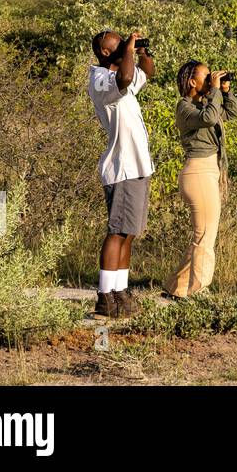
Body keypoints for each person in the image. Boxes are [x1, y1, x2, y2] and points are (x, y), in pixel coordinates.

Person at [86, 30, 156, 318]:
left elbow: (146, 73)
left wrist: (142, 51)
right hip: (121, 166)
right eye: (118, 44)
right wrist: (129, 53)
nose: (123, 48)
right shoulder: (102, 79)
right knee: (116, 232)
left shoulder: (121, 74)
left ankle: (120, 291)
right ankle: (105, 296)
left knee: (128, 233)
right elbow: (126, 78)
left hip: (138, 165)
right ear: (104, 51)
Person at [165, 62, 237, 298]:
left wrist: (225, 92)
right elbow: (208, 119)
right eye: (206, 76)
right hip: (198, 173)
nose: (210, 80)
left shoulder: (205, 104)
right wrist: (215, 90)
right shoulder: (184, 108)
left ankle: (176, 287)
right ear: (191, 82)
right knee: (205, 236)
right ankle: (199, 291)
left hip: (208, 172)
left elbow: (231, 113)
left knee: (202, 235)